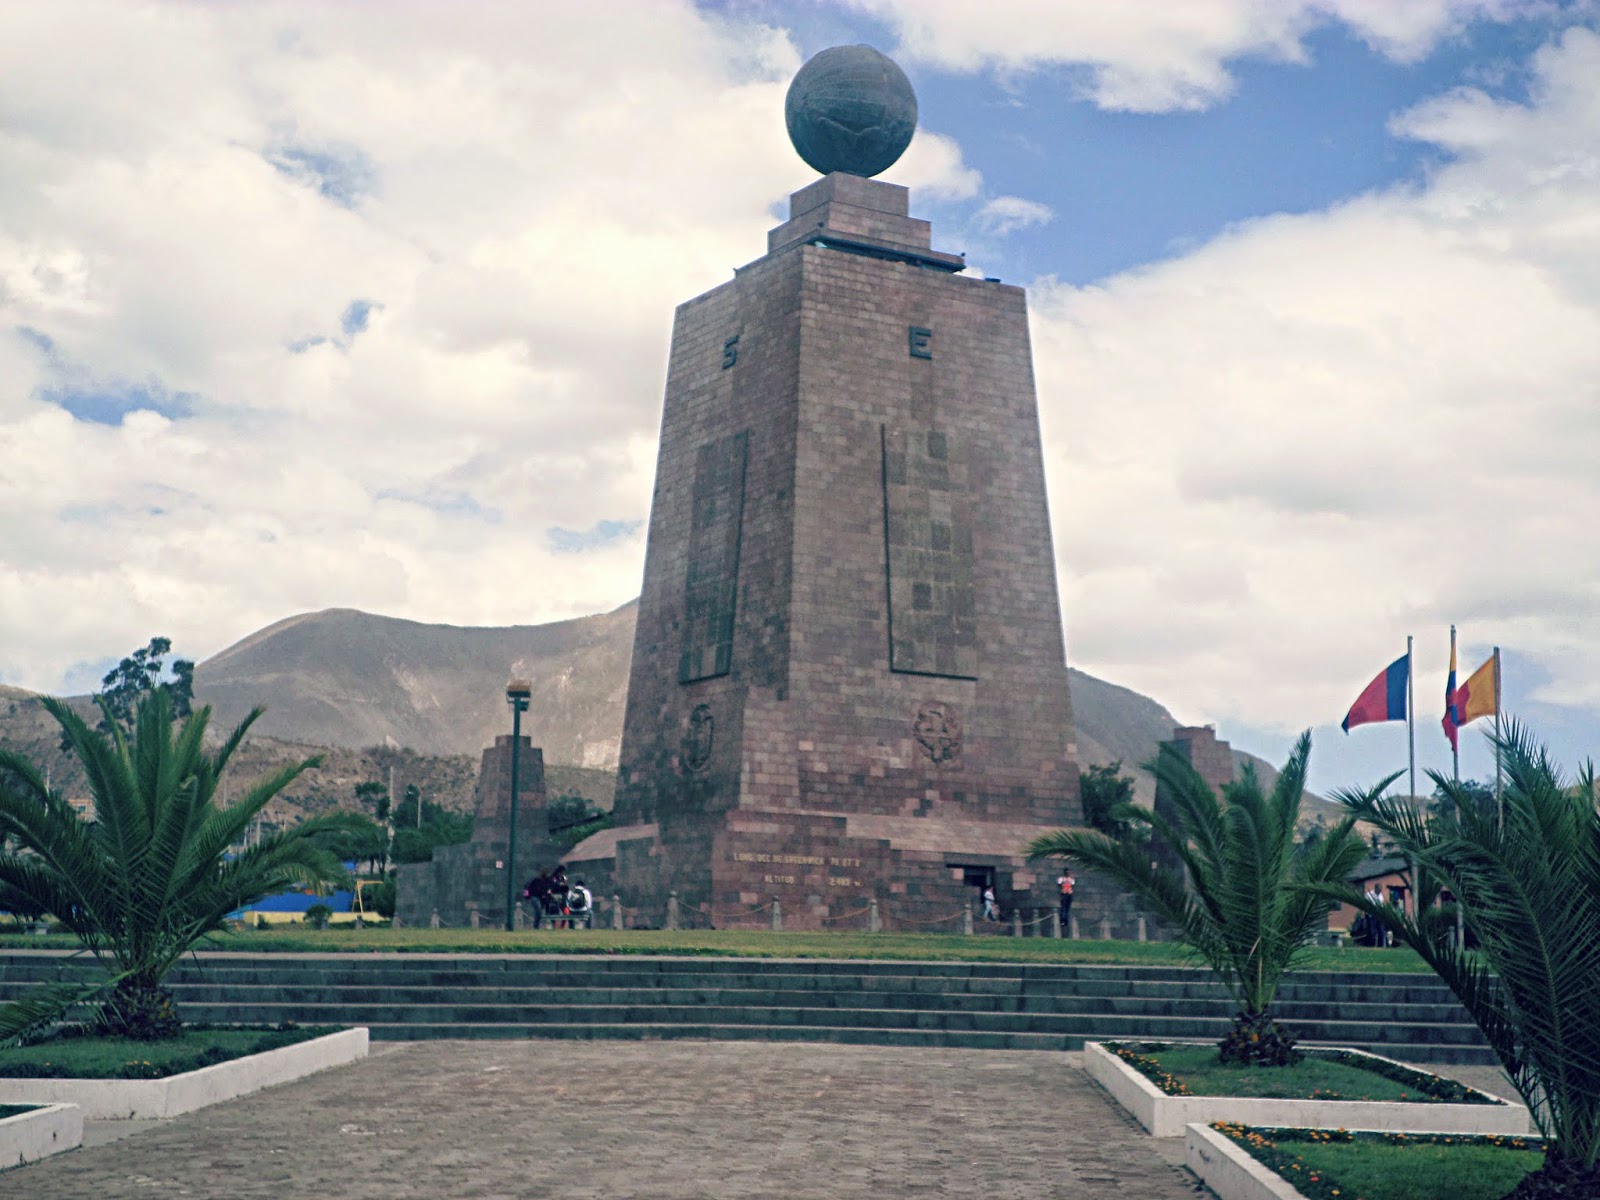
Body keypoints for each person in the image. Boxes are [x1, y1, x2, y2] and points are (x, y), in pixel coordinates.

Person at [1056, 870, 1075, 936]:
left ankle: (1065, 920)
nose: (1068, 873)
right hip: (1064, 894)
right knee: (1063, 907)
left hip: (1069, 894)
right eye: (1066, 872)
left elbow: (1072, 886)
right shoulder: (1061, 879)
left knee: (1067, 908)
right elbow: (1059, 886)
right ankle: (1063, 920)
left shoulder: (1071, 880)